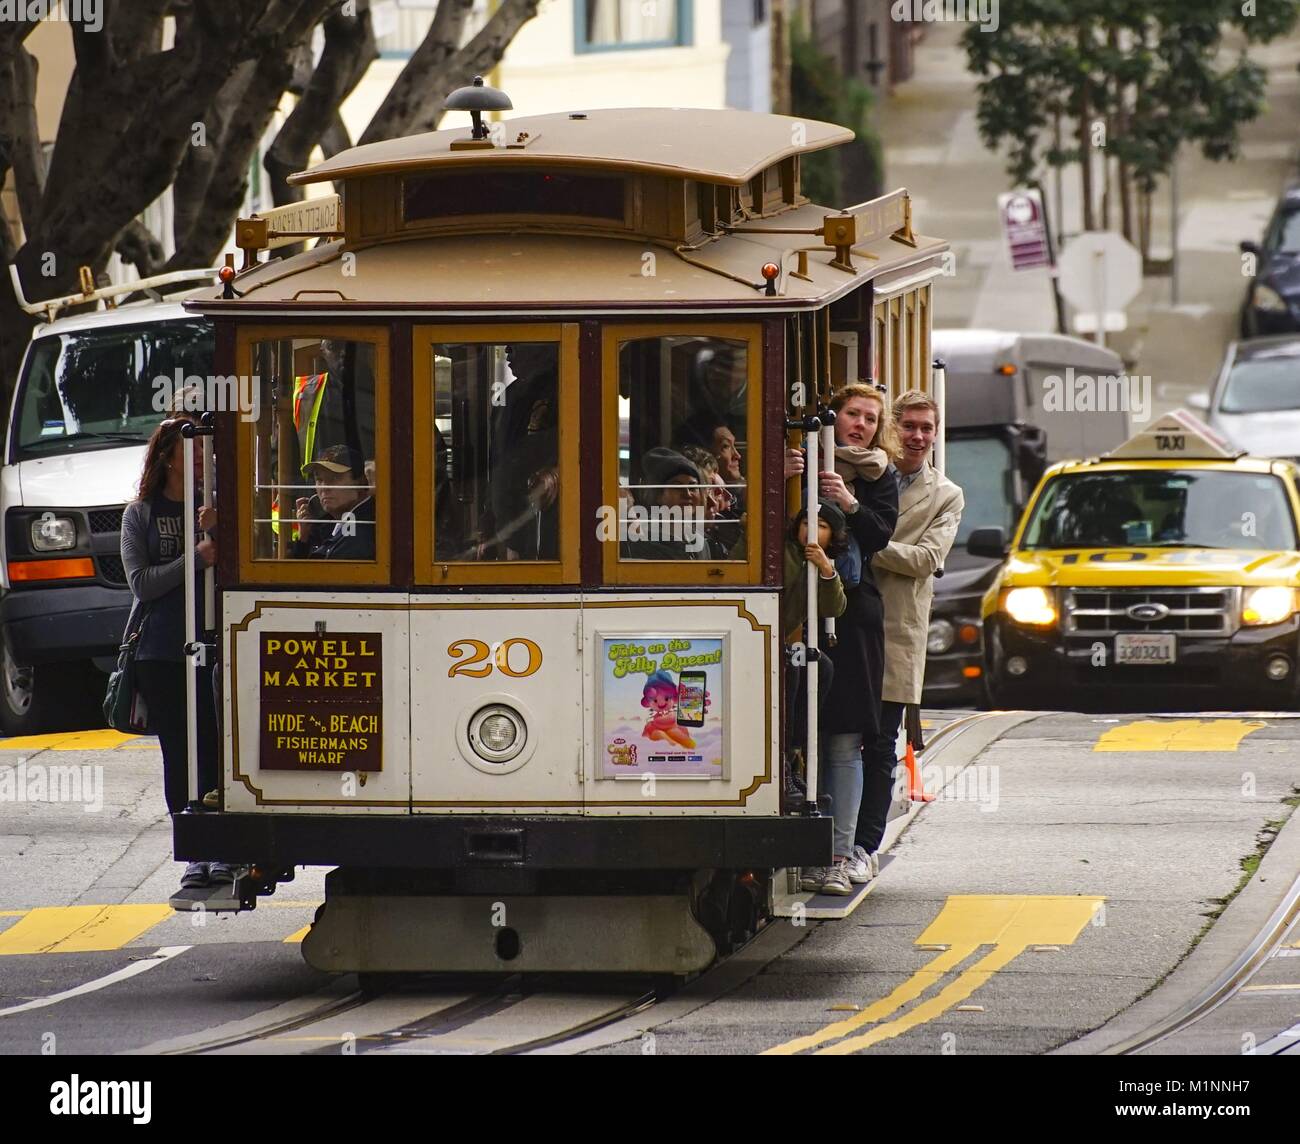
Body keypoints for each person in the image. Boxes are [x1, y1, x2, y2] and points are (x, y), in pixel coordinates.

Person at [854, 391, 964, 877]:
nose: (919, 436)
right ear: (893, 428)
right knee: (838, 739)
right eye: (910, 427)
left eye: (927, 428)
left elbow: (925, 561)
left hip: (896, 632)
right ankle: (835, 845)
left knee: (880, 745)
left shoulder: (946, 494)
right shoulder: (862, 473)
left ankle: (864, 847)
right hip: (847, 622)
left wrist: (860, 537)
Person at [802, 382, 900, 896]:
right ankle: (804, 851)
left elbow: (882, 534)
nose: (859, 424)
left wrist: (849, 503)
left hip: (854, 622)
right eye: (852, 414)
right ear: (833, 416)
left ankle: (839, 855)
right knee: (801, 738)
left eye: (869, 418)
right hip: (801, 614)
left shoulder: (879, 474)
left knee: (843, 741)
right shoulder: (806, 457)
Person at [120, 419, 227, 892]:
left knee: (217, 747)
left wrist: (220, 532)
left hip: (216, 643)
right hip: (161, 649)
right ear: (167, 457)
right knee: (179, 752)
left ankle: (222, 847)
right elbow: (141, 583)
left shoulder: (216, 506)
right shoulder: (140, 514)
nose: (202, 455)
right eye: (192, 448)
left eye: (206, 447)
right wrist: (195, 557)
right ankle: (194, 853)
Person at [292, 444, 376, 560]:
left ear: (360, 482)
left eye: (334, 478)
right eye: (319, 480)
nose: (324, 487)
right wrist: (304, 537)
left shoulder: (361, 529)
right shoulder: (335, 524)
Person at [623, 446, 707, 560]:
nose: (687, 494)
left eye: (693, 487)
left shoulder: (700, 542)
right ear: (658, 495)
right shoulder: (645, 543)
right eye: (677, 487)